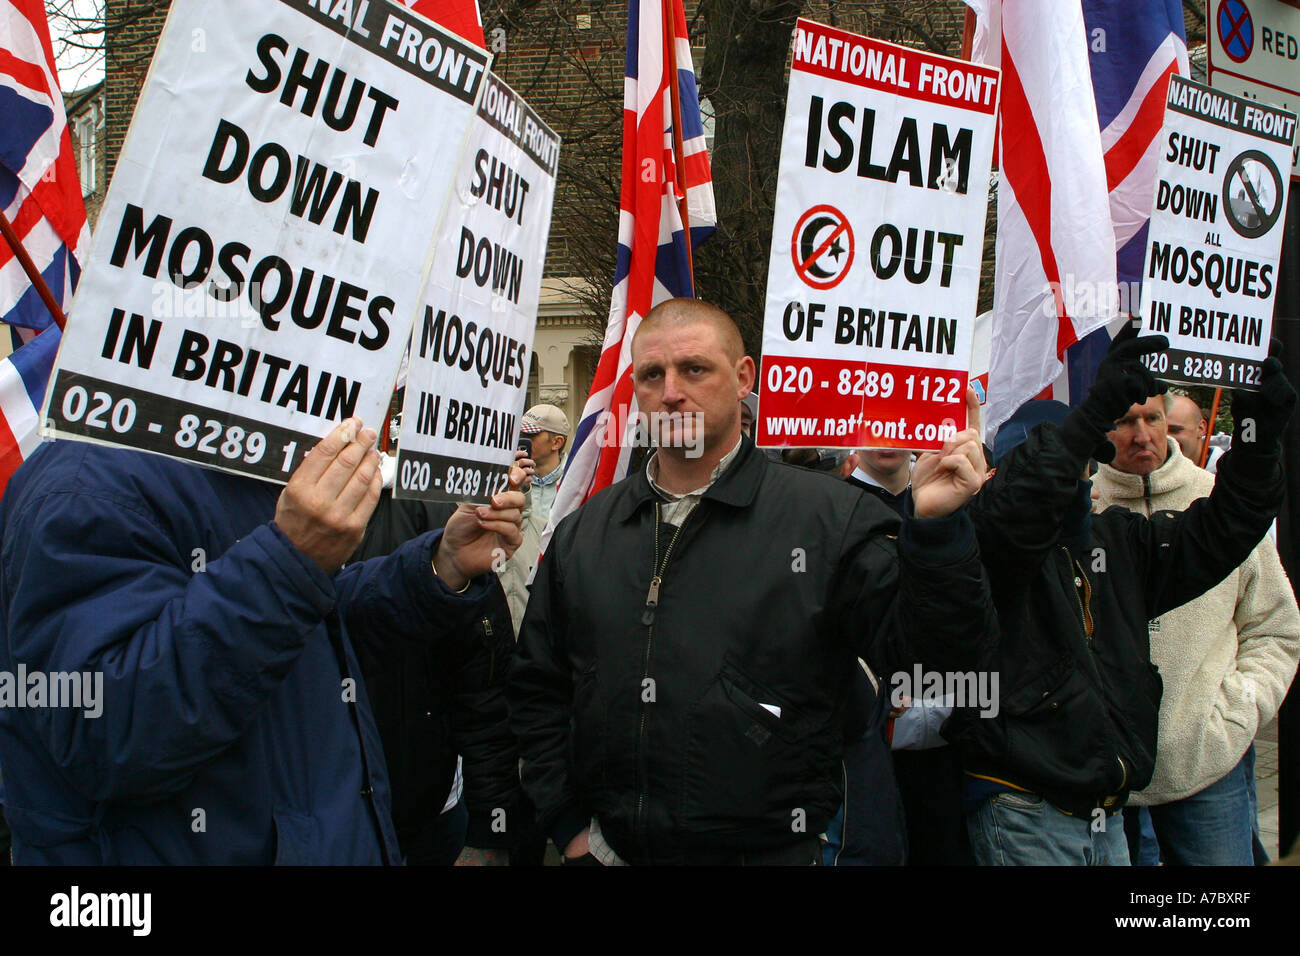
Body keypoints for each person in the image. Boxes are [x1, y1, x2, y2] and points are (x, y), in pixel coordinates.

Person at [509, 297, 996, 866]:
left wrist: (937, 533)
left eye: (694, 369)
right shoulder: (585, 532)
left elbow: (935, 663)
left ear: (743, 379)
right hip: (610, 852)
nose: (671, 391)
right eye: (652, 375)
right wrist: (570, 830)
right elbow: (538, 691)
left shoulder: (831, 520)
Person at [0, 419, 524, 864]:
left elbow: (314, 626)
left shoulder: (237, 462)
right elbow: (106, 730)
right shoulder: (83, 484)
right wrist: (290, 560)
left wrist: (439, 567)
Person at [954, 329, 1293, 865]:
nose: (1083, 479)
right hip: (1025, 809)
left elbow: (1226, 529)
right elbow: (1021, 509)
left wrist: (1257, 434)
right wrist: (1093, 412)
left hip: (1104, 805)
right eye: (1072, 464)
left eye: (1088, 465)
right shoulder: (987, 550)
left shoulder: (1116, 542)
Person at [1094, 383, 1300, 865]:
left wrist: (1238, 709)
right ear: (1100, 429)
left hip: (1208, 766)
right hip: (1107, 778)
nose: (1142, 434)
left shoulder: (1221, 505)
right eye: (1125, 421)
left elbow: (1275, 625)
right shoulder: (1080, 510)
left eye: (1153, 418)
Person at [499, 404, 570, 634]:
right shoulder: (505, 481)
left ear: (556, 443)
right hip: (513, 595)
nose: (521, 439)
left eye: (530, 435)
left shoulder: (575, 484)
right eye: (519, 434)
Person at [1165, 392, 1209, 466]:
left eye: (1174, 430)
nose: (1166, 438)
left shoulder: (1227, 474)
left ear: (1201, 428)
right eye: (1158, 431)